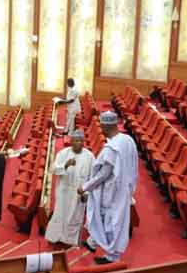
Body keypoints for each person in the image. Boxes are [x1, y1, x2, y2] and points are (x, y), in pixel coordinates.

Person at [78, 111, 138, 265]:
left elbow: (103, 175)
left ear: (105, 125)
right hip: (124, 188)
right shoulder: (127, 139)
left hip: (113, 192)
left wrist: (85, 187)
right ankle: (93, 242)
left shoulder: (112, 148)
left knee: (110, 222)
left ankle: (112, 257)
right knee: (106, 219)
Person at [45, 130, 94, 246]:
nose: (79, 143)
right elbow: (53, 170)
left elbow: (92, 178)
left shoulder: (90, 156)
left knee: (74, 217)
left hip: (78, 193)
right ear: (71, 141)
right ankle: (55, 237)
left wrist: (87, 194)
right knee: (59, 214)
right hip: (63, 191)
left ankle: (70, 241)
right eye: (76, 141)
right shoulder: (63, 153)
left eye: (81, 141)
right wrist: (65, 165)